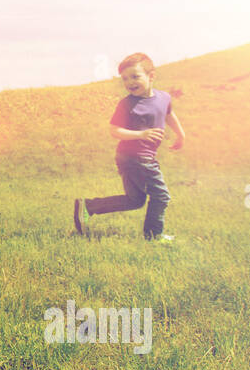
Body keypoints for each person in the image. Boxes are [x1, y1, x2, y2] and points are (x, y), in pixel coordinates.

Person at [74, 53, 185, 241]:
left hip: (135, 157)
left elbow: (168, 114)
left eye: (135, 76)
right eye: (125, 79)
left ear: (151, 76)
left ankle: (88, 207)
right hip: (136, 158)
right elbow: (114, 130)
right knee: (161, 196)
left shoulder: (164, 97)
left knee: (135, 200)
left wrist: (181, 134)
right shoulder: (127, 104)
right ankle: (154, 237)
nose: (129, 82)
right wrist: (140, 134)